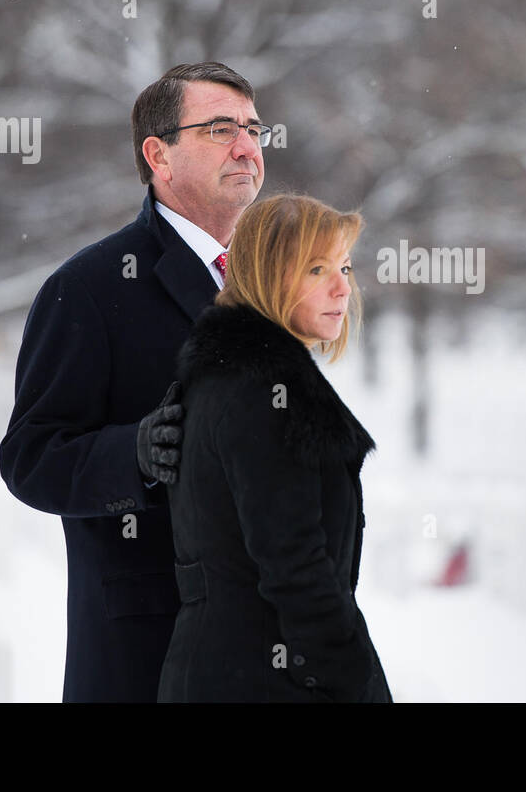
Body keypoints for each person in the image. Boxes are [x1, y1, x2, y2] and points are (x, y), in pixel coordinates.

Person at [0, 62, 270, 702]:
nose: (248, 146)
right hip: (147, 649)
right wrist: (136, 455)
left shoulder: (272, 284)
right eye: (221, 128)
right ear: (159, 155)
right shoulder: (88, 289)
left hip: (269, 647)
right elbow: (29, 459)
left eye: (255, 128)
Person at [158, 194, 392, 702]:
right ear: (269, 275)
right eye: (316, 269)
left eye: (345, 267)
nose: (341, 287)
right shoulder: (265, 392)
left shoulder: (225, 377)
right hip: (263, 679)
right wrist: (348, 675)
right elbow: (292, 564)